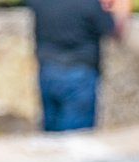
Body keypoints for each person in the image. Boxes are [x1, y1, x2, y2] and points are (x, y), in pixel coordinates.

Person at [26, 0, 131, 132]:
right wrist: (121, 10)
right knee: (77, 139)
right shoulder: (89, 4)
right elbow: (115, 32)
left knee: (50, 137)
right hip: (80, 74)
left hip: (47, 71)